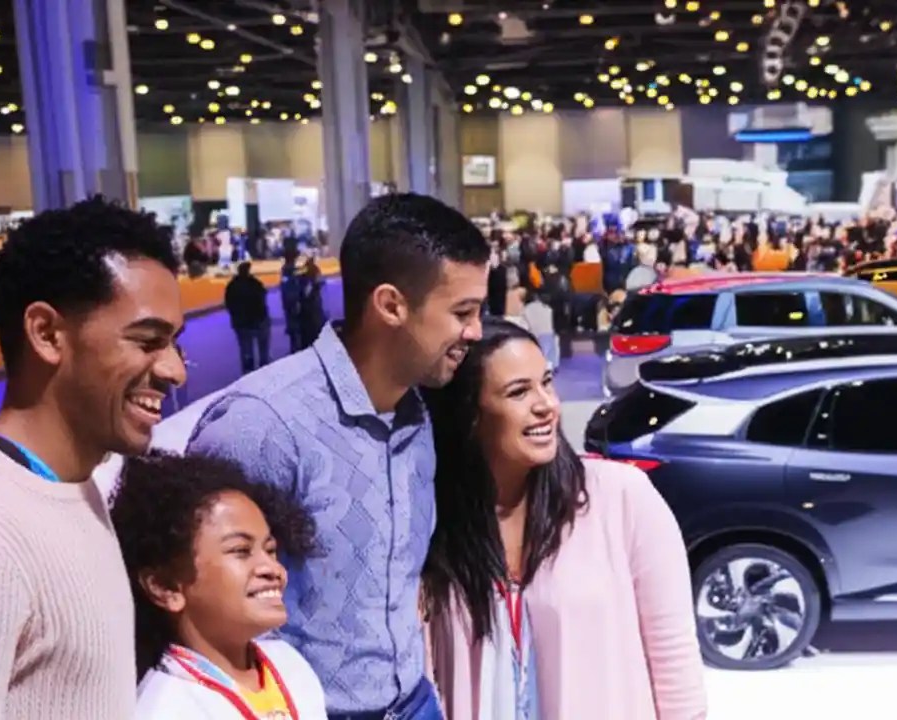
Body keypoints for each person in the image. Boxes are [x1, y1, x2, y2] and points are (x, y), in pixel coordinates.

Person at [187, 192, 491, 720]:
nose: (476, 331)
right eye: (462, 312)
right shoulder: (261, 425)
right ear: (391, 305)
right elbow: (197, 610)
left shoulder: (417, 416)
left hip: (415, 701)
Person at [423, 318, 707, 720]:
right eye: (519, 391)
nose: (547, 405)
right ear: (469, 416)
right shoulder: (433, 523)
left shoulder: (621, 497)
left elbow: (675, 665)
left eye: (546, 382)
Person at [0, 196, 187, 718]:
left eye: (174, 343)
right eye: (147, 341)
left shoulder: (77, 487)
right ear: (47, 334)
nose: (175, 371)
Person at [109, 451, 327, 720]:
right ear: (166, 587)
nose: (273, 569)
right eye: (241, 550)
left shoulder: (290, 666)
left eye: (270, 550)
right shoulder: (164, 707)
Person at [225, 261, 272, 373]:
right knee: (263, 350)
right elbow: (262, 298)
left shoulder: (232, 286)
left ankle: (248, 373)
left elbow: (229, 304)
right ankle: (264, 371)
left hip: (242, 324)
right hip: (258, 321)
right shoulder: (255, 284)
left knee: (246, 351)